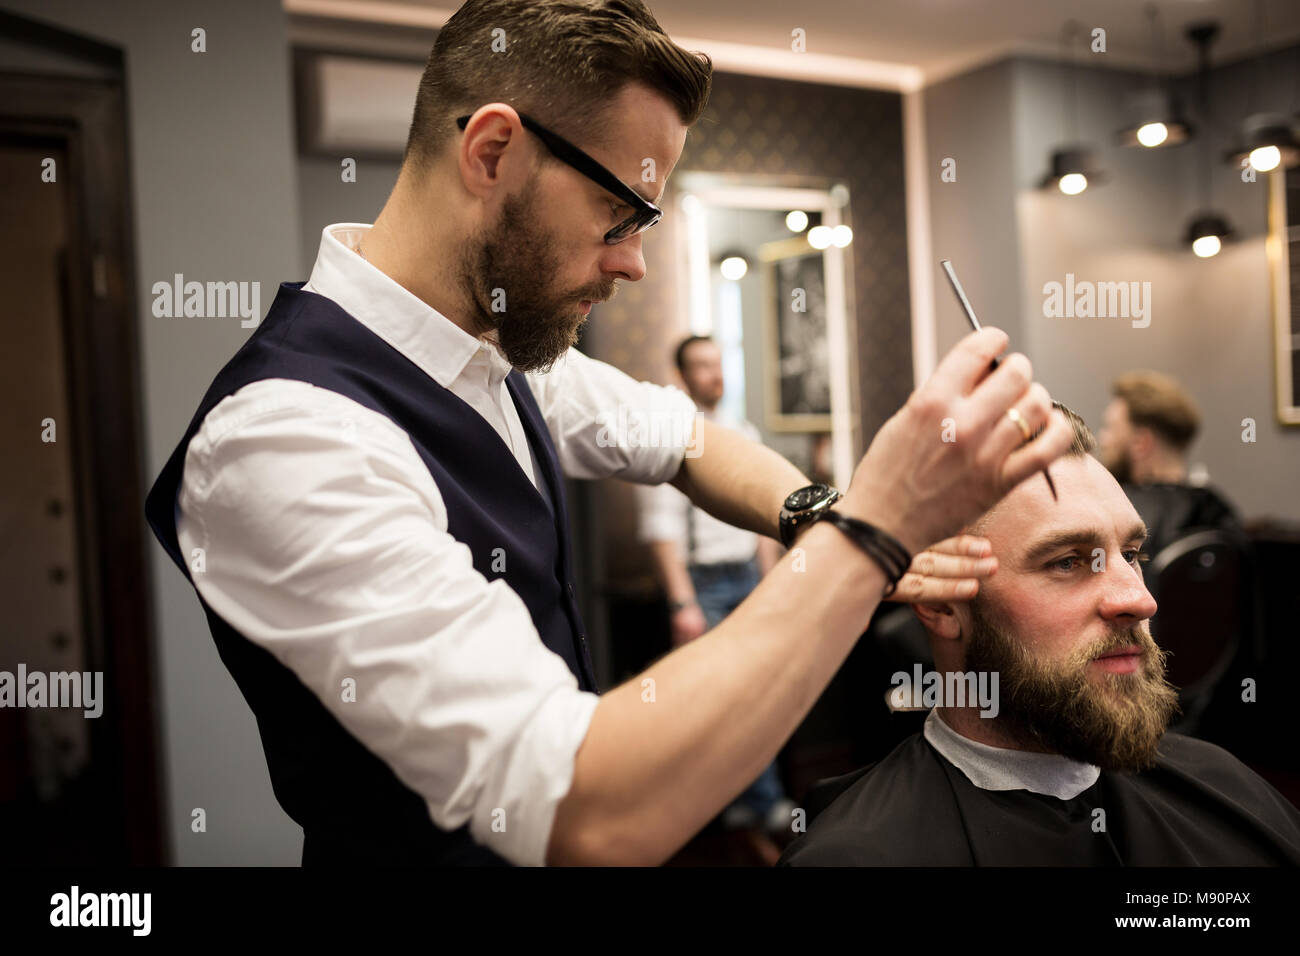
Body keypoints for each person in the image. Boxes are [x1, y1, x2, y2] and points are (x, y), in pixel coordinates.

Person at [143, 0, 1074, 866]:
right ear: (494, 150)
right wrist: (871, 530)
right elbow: (582, 807)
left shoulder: (496, 354)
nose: (633, 263)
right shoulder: (286, 438)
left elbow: (688, 441)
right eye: (621, 212)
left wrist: (818, 513)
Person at [779, 404, 1300, 866]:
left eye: (1132, 555)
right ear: (941, 603)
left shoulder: (1224, 785)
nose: (1141, 600)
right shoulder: (856, 853)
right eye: (1068, 561)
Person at [638, 335, 791, 850]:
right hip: (704, 586)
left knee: (758, 693)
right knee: (724, 699)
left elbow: (762, 524)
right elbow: (662, 533)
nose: (714, 374)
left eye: (718, 364)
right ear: (682, 377)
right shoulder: (670, 437)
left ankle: (745, 802)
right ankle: (760, 805)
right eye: (701, 366)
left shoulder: (743, 432)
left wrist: (771, 584)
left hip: (747, 575)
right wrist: (683, 604)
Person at [1097, 370, 1240, 559]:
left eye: (1110, 428)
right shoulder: (1218, 514)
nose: (1102, 439)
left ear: (1141, 443)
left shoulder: (1112, 515)